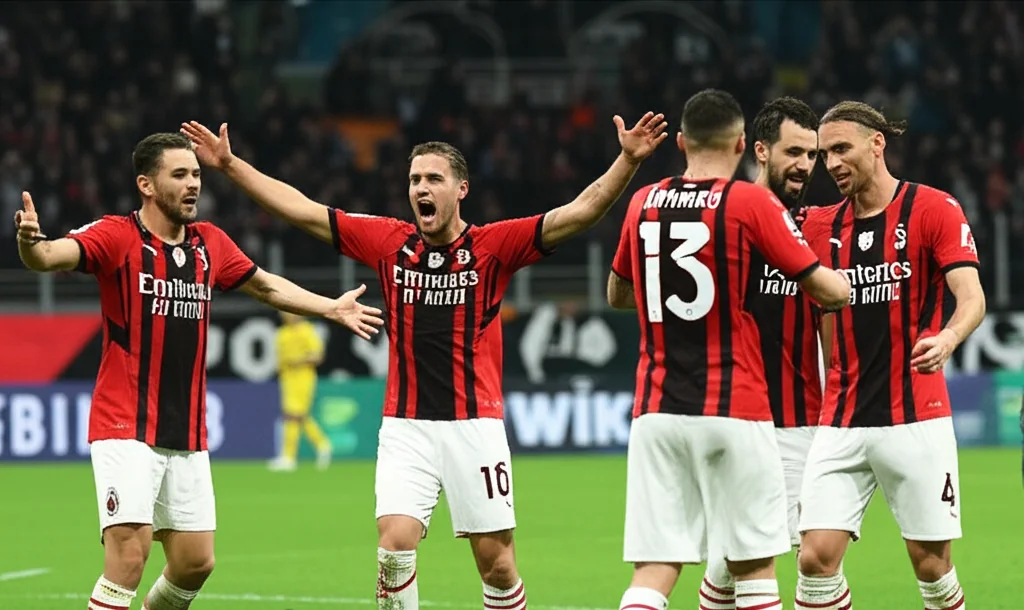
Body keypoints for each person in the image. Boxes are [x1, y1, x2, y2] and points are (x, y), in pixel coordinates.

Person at [180, 111, 668, 610]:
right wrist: (230, 165)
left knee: (497, 565)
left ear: (461, 189)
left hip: (474, 425)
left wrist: (627, 160)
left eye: (434, 178)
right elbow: (303, 210)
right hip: (404, 427)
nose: (421, 188)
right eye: (415, 179)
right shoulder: (390, 243)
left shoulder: (493, 247)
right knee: (394, 548)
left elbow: (579, 212)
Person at [13, 133, 384, 610]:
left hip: (186, 431)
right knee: (129, 558)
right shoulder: (116, 236)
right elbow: (47, 258)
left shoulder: (211, 244)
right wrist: (30, 243)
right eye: (180, 175)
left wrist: (331, 308)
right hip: (124, 423)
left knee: (195, 561)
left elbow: (267, 287)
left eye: (197, 175)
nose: (193, 185)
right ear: (146, 184)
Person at [605, 89, 851, 610]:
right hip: (735, 406)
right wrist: (848, 285)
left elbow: (617, 294)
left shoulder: (643, 202)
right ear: (745, 145)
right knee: (756, 567)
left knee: (654, 569)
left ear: (679, 142)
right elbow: (827, 291)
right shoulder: (749, 202)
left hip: (656, 410)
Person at [796, 101, 986, 610]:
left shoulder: (933, 209)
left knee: (931, 568)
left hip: (916, 419)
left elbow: (972, 298)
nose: (831, 163)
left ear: (877, 143)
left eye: (841, 149)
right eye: (823, 154)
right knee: (814, 560)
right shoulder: (817, 226)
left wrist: (946, 339)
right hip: (841, 419)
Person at [698, 96, 825, 610]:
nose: (806, 166)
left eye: (813, 155)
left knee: (765, 557)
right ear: (761, 151)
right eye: (795, 152)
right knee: (752, 557)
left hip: (801, 418)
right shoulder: (721, 218)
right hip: (736, 415)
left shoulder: (816, 225)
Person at [268, 311, 333, 472]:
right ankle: (322, 444)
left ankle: (289, 457)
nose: (286, 316)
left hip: (304, 377)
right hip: (287, 379)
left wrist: (298, 361)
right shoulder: (281, 333)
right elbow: (279, 359)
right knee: (296, 416)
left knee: (294, 415)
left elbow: (317, 355)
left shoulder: (307, 330)